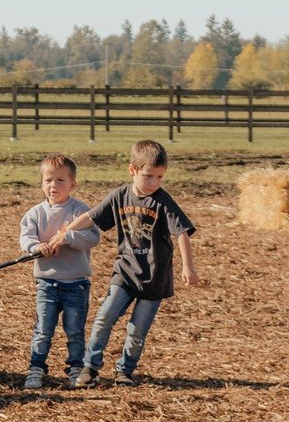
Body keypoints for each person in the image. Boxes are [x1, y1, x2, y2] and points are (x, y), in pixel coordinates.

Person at [48, 139, 198, 388]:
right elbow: (93, 216)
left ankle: (125, 370)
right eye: (148, 176)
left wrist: (188, 266)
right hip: (125, 272)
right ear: (133, 170)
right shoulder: (120, 195)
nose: (154, 183)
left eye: (160, 177)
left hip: (154, 278)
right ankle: (90, 367)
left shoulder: (163, 201)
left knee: (137, 330)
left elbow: (181, 232)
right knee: (104, 317)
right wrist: (67, 231)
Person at [19, 154, 100, 391]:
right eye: (49, 180)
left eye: (61, 180)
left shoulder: (80, 211)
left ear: (72, 184)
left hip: (76, 283)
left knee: (75, 330)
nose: (54, 185)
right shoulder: (35, 214)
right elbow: (26, 238)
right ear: (42, 183)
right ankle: (36, 368)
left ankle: (76, 367)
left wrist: (68, 237)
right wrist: (37, 247)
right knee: (43, 329)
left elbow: (93, 237)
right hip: (47, 282)